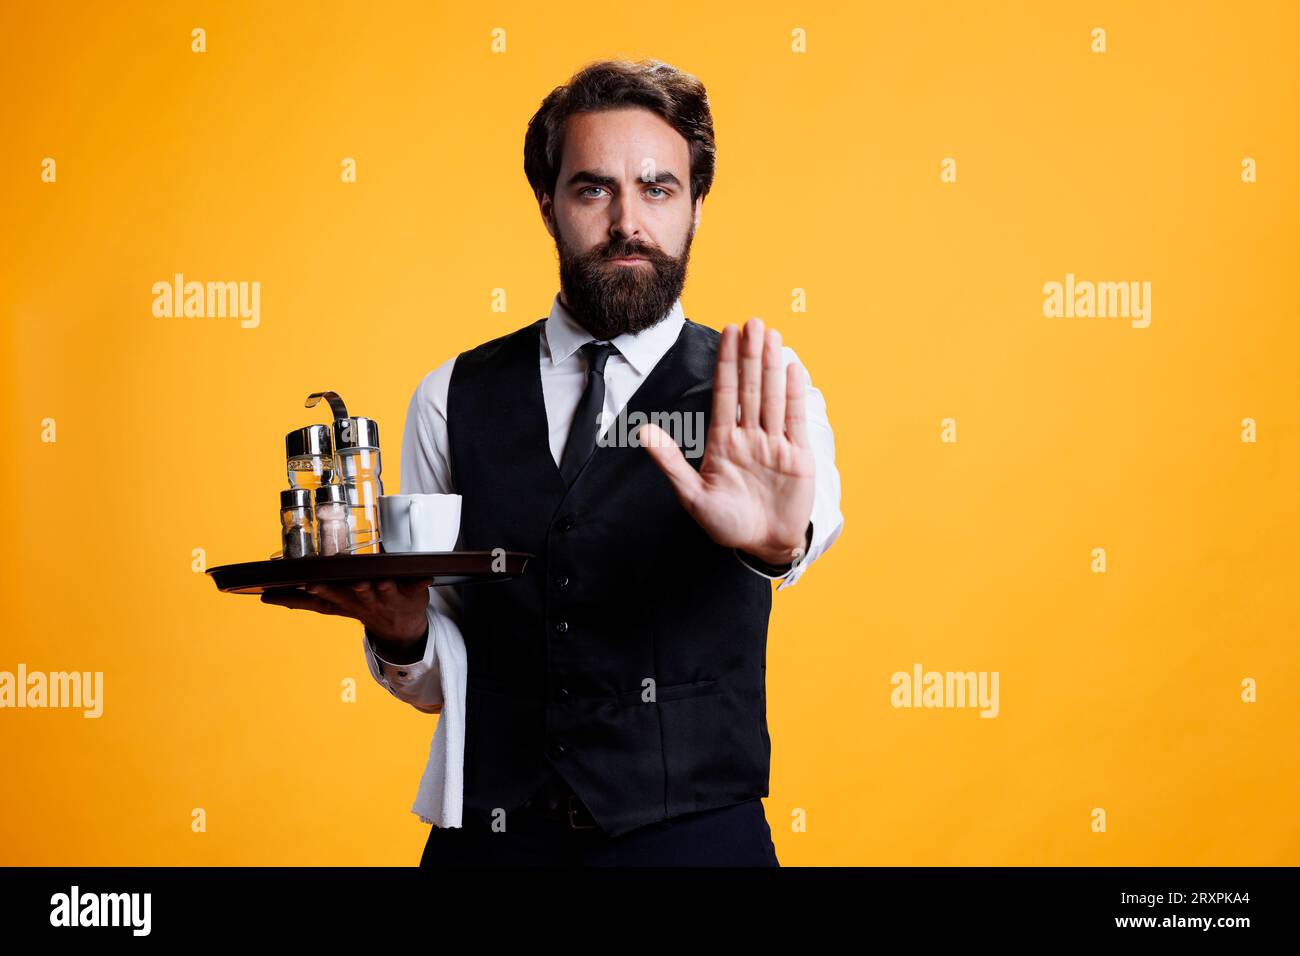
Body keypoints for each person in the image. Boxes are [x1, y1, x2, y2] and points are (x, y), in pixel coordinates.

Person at [262, 58, 844, 866]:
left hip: (696, 842)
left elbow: (805, 533)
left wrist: (774, 545)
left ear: (697, 209)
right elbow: (442, 679)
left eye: (658, 189)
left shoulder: (761, 392)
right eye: (593, 188)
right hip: (494, 842)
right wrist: (400, 635)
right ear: (548, 207)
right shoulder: (449, 396)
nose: (627, 221)